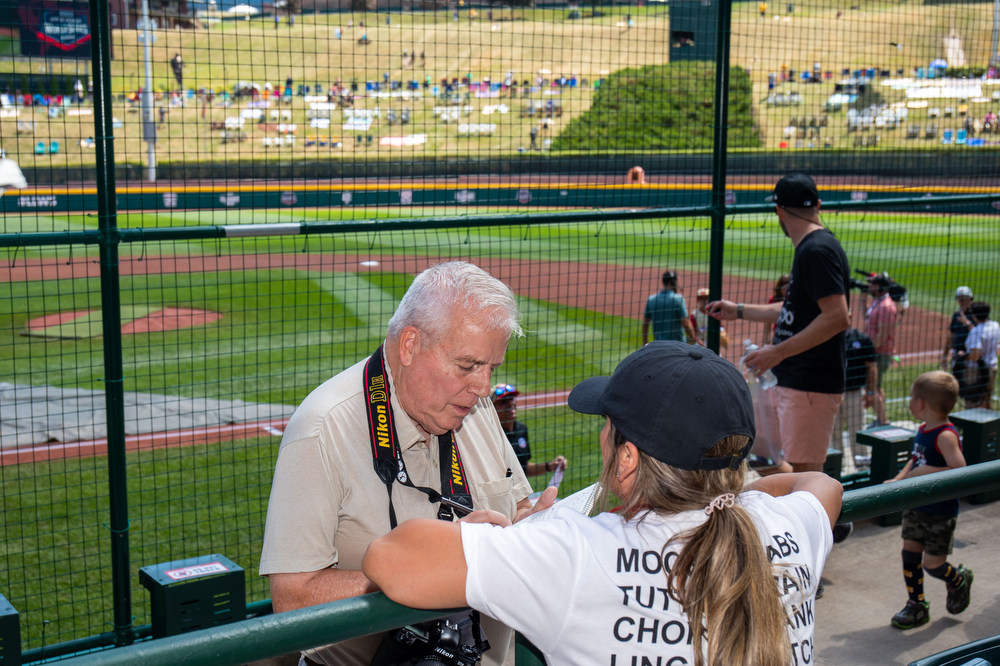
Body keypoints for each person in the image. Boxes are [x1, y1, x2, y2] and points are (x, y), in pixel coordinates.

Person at [363, 341, 843, 666]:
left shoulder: (574, 553)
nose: (601, 436)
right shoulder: (786, 529)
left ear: (628, 460)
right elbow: (822, 485)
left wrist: (515, 536)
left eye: (607, 427)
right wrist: (728, 500)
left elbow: (389, 557)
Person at [259, 261, 541, 666]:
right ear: (409, 345)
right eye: (468, 366)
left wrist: (540, 528)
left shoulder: (474, 408)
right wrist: (412, 571)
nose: (483, 388)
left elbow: (519, 506)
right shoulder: (323, 427)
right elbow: (292, 598)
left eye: (491, 368)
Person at [707, 173, 851, 474]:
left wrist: (778, 352)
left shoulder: (817, 250)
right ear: (818, 205)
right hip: (798, 380)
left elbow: (837, 317)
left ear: (779, 210)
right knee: (780, 463)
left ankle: (830, 523)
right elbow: (795, 310)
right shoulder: (813, 247)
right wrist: (740, 310)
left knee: (807, 476)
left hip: (811, 382)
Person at [884, 371, 973, 629]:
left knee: (934, 565)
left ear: (921, 403)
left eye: (912, 397)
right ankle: (917, 604)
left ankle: (958, 580)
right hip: (916, 507)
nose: (910, 402)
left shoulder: (945, 435)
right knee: (909, 555)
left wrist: (924, 473)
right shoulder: (924, 429)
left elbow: (960, 470)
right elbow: (916, 458)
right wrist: (900, 478)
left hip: (939, 512)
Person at [491, 383, 566, 477]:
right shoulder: (492, 434)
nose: (510, 403)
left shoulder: (521, 429)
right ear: (493, 408)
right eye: (503, 402)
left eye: (511, 399)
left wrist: (549, 466)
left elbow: (523, 469)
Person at [831, 327, 878, 469]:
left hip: (854, 394)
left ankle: (863, 471)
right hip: (831, 395)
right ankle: (836, 471)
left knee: (858, 435)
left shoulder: (862, 338)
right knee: (834, 436)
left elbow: (872, 367)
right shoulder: (826, 337)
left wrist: (870, 393)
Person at [865, 273, 897, 426]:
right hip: (877, 351)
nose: (869, 287)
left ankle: (882, 421)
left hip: (880, 353)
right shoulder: (877, 302)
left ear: (878, 287)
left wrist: (869, 352)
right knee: (877, 385)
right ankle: (881, 418)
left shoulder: (886, 306)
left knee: (874, 385)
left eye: (871, 285)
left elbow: (883, 334)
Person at [642, 270, 695, 345]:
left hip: (659, 346)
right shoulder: (678, 299)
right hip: (678, 346)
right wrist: (693, 338)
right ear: (672, 282)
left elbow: (645, 324)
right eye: (677, 281)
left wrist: (645, 344)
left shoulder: (651, 299)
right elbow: (686, 323)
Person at [963, 301, 999, 409]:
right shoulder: (995, 325)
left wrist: (962, 357)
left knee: (972, 401)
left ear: (974, 315)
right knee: (986, 399)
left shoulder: (976, 332)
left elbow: (975, 355)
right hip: (991, 367)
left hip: (976, 371)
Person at [941, 286, 974, 371]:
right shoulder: (957, 314)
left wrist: (967, 323)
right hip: (958, 355)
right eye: (959, 299)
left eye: (963, 299)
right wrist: (945, 355)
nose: (961, 302)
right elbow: (951, 335)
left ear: (970, 298)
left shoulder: (977, 314)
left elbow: (980, 333)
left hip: (972, 356)